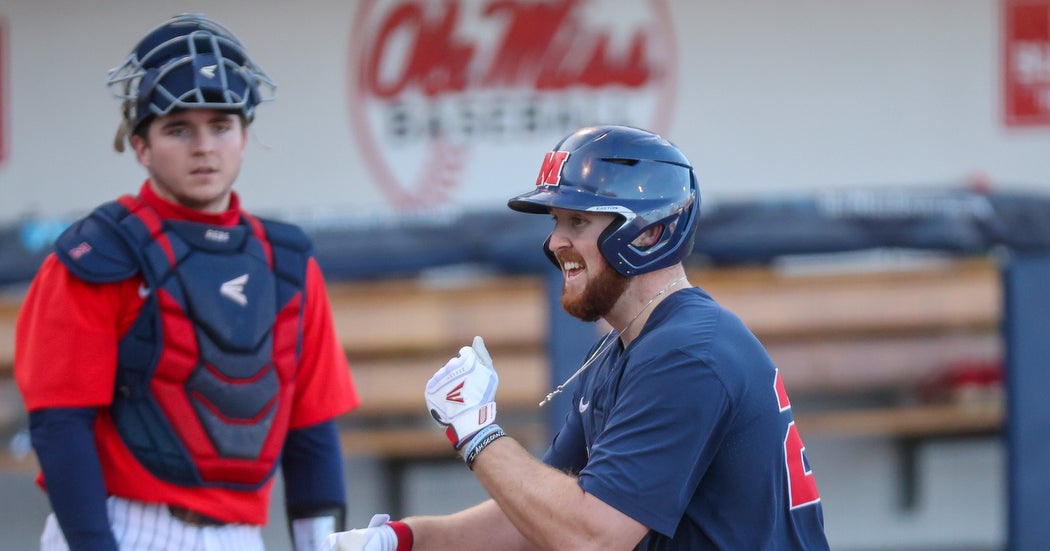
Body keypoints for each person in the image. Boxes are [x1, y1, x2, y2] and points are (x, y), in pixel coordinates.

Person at [329, 125, 830, 550]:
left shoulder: (685, 353)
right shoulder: (627, 347)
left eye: (578, 221)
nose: (555, 242)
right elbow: (534, 520)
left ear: (649, 231)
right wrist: (403, 538)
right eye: (556, 222)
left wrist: (477, 432)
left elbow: (592, 538)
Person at [14, 13, 359, 551]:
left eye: (220, 126)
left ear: (244, 137)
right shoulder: (100, 254)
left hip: (240, 538)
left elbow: (311, 432)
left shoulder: (288, 264)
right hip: (119, 527)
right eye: (178, 128)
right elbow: (60, 426)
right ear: (140, 145)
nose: (204, 147)